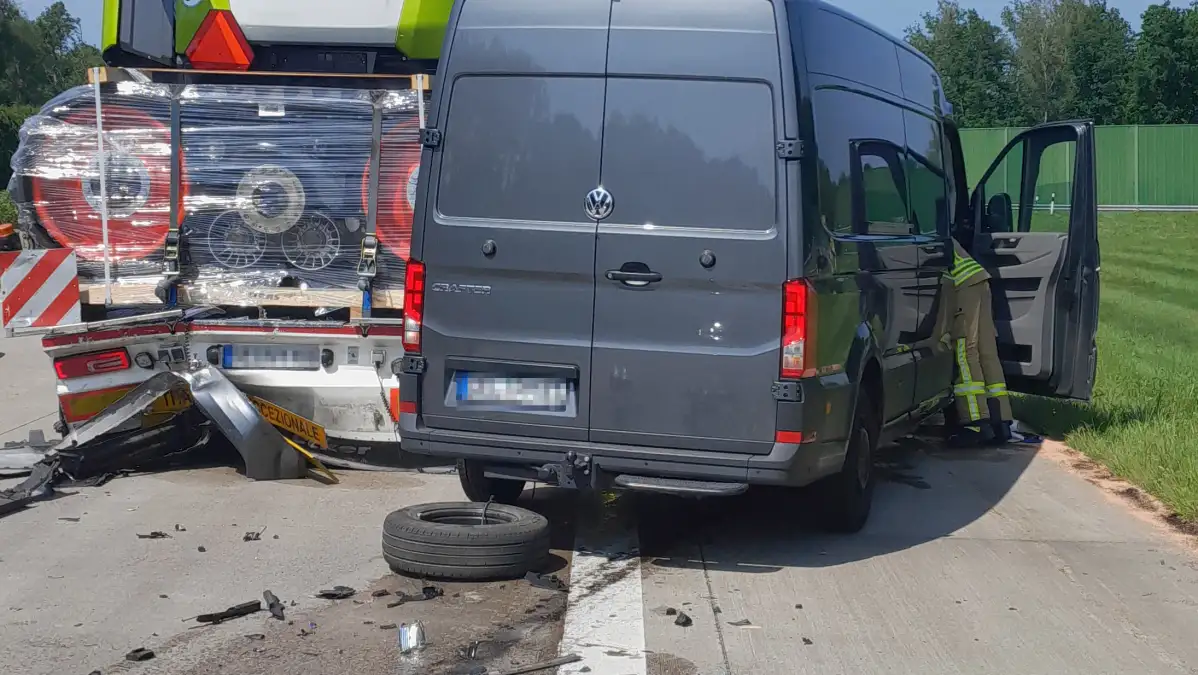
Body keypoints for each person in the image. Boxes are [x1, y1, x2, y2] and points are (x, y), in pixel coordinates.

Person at [948, 238, 1013, 446]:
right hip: (978, 279)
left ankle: (974, 421)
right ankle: (1000, 420)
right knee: (987, 350)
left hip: (963, 284)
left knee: (964, 349)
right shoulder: (930, 223)